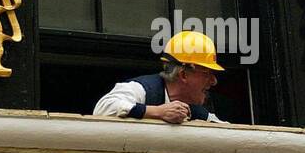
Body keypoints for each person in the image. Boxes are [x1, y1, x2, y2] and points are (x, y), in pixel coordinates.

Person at [93, 30, 225, 123]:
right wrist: (158, 112)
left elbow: (229, 132)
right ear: (183, 74)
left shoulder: (196, 111)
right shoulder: (142, 89)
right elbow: (104, 107)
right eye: (207, 73)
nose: (214, 81)